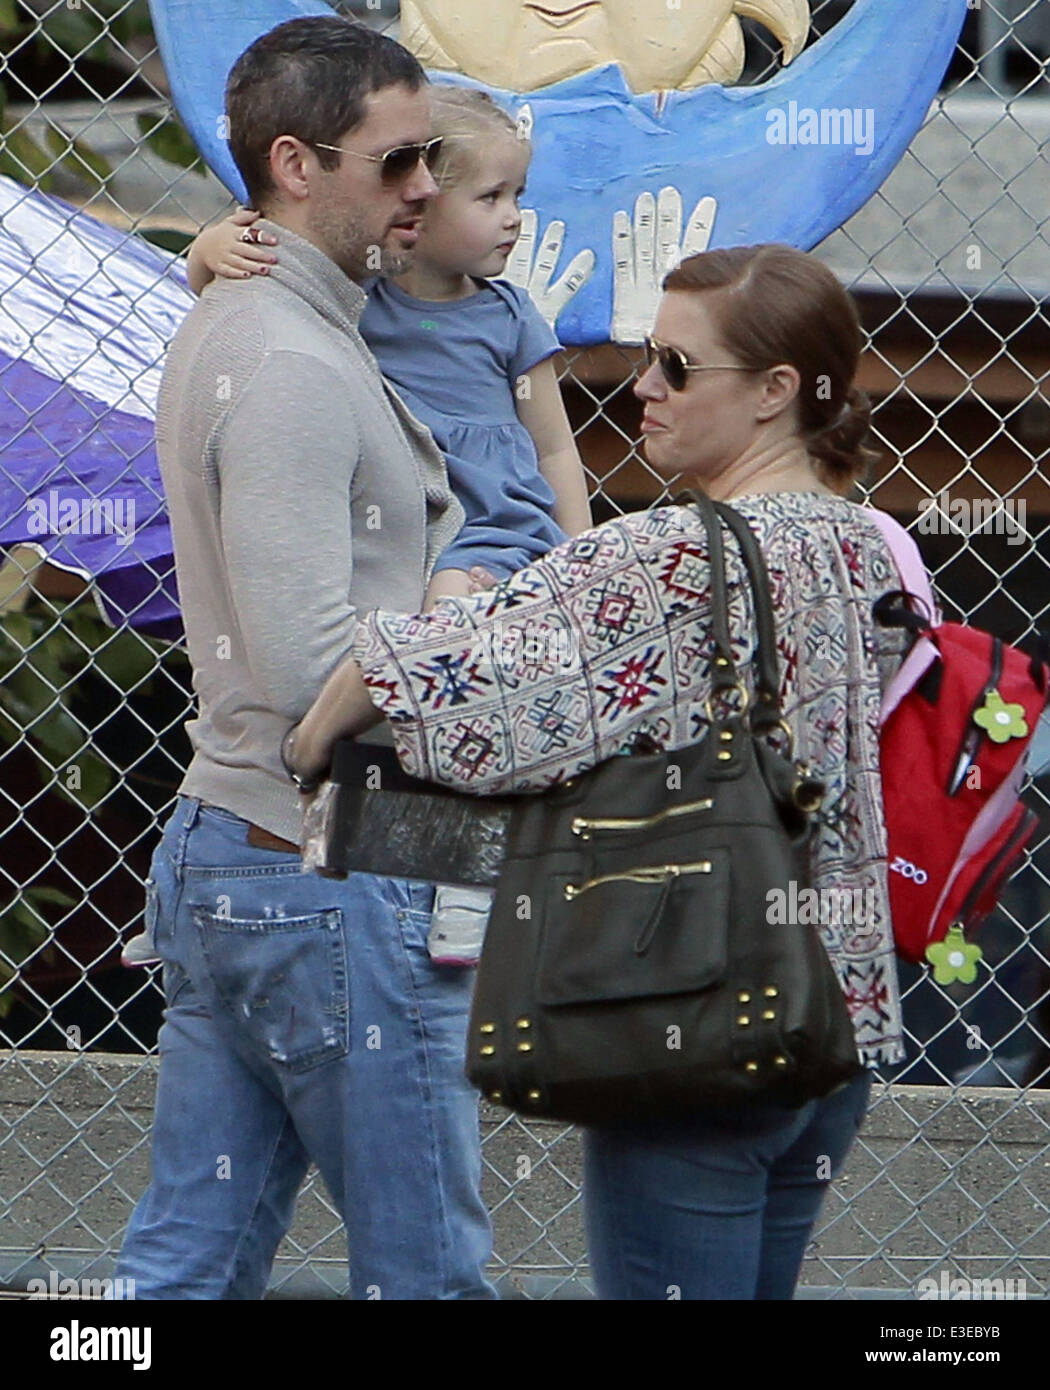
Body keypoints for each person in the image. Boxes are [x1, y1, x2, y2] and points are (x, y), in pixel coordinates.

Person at [284, 243, 915, 1301]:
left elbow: (461, 684)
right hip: (833, 1011)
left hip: (700, 1011)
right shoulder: (867, 544)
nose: (643, 387)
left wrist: (314, 731)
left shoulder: (667, 555)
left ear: (772, 393)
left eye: (677, 365)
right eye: (644, 357)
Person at [115, 15, 497, 1300]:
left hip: (249, 855)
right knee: (429, 1272)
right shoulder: (286, 359)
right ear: (295, 164)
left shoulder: (263, 323)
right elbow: (308, 673)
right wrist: (475, 636)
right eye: (397, 163)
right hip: (327, 862)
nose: (427, 188)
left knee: (186, 1266)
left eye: (433, 156)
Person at [131, 83, 592, 970]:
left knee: (463, 689)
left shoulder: (511, 317)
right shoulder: (360, 301)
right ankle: (209, 883)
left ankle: (466, 892)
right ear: (418, 204)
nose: (513, 220)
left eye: (518, 199)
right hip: (423, 537)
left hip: (498, 536)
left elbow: (557, 450)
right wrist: (208, 246)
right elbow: (218, 271)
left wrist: (571, 552)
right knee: (405, 688)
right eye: (490, 197)